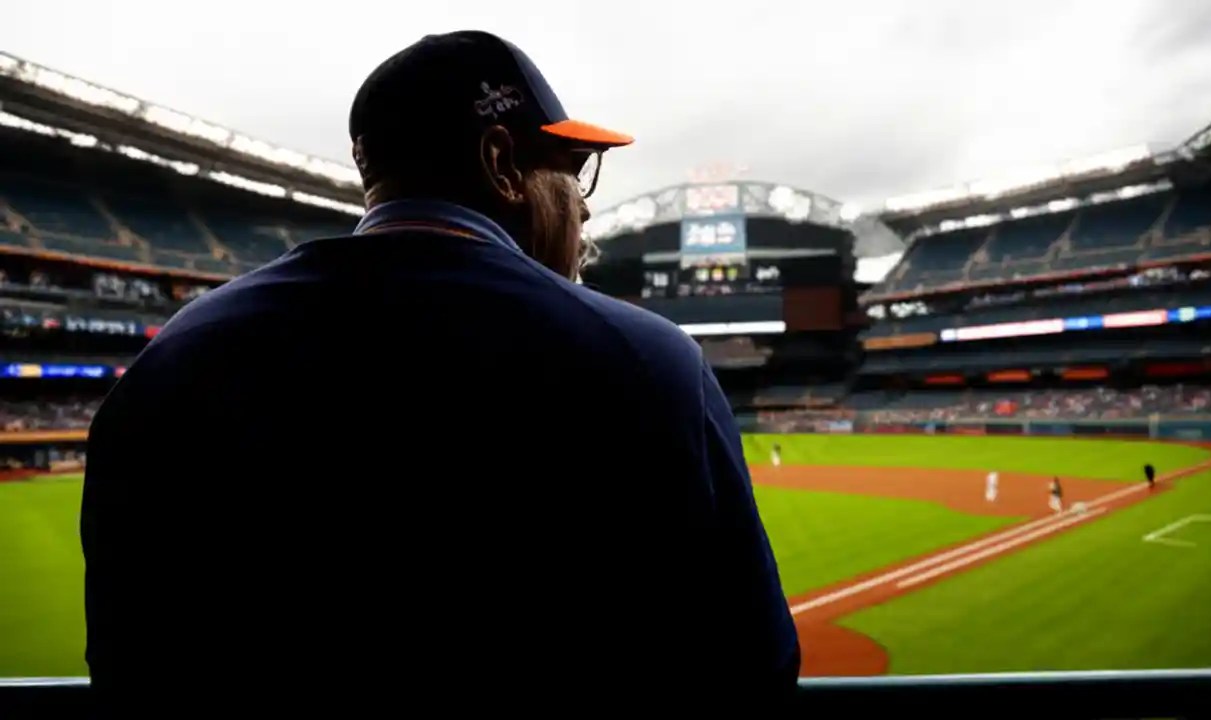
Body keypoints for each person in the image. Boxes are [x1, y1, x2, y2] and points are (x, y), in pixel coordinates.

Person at [81, 30, 798, 715]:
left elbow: (127, 662)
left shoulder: (178, 355)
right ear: (500, 164)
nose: (582, 206)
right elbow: (752, 671)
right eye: (571, 171)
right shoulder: (648, 358)